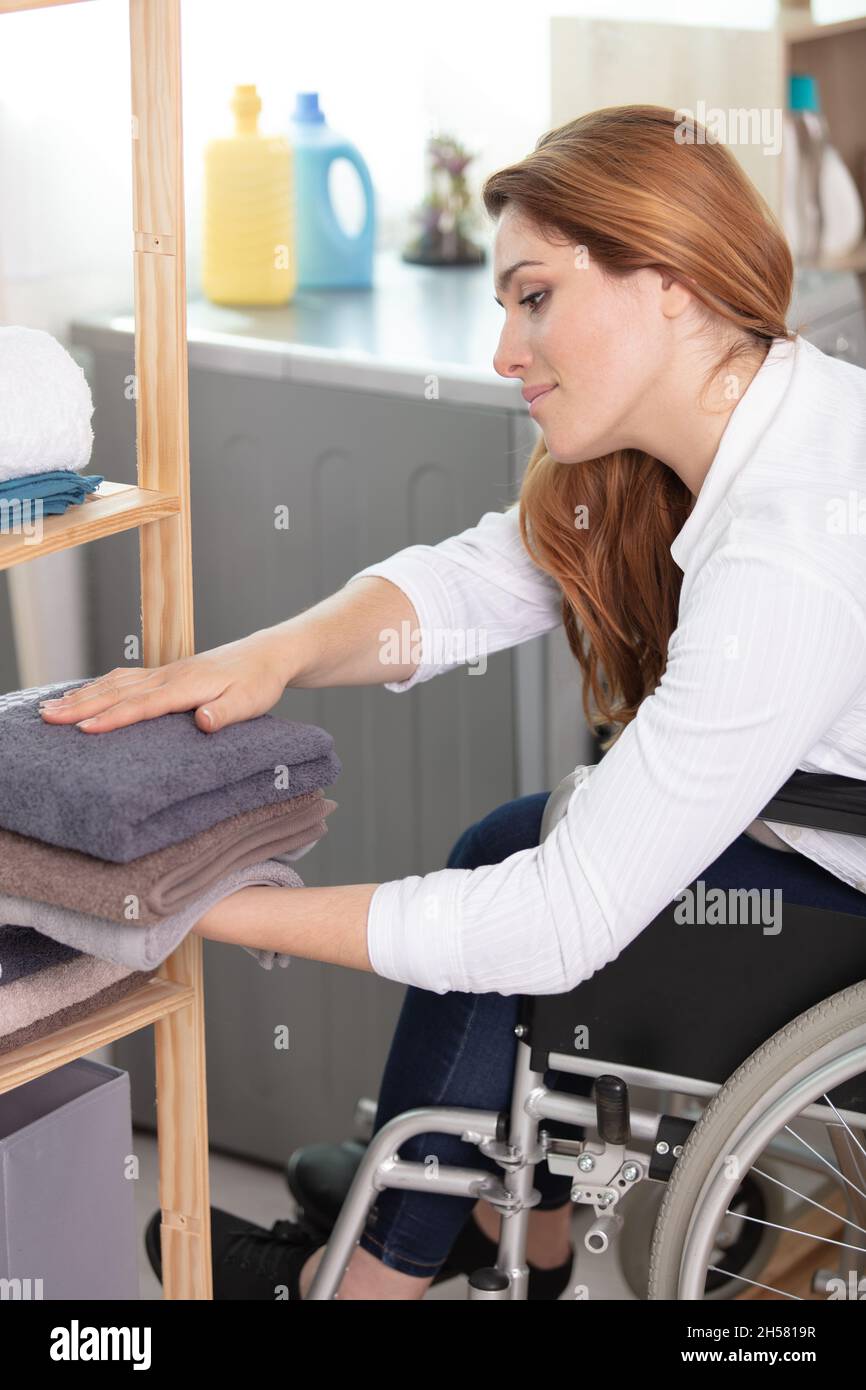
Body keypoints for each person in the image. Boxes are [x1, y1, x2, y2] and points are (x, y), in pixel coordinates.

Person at [39, 104, 866, 1301]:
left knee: (512, 878)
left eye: (533, 297)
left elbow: (555, 922)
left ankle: (371, 1279)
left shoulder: (792, 547)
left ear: (671, 281)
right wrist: (269, 654)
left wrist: (189, 905)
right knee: (505, 843)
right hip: (830, 825)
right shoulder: (758, 414)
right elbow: (488, 572)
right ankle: (491, 1232)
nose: (503, 352)